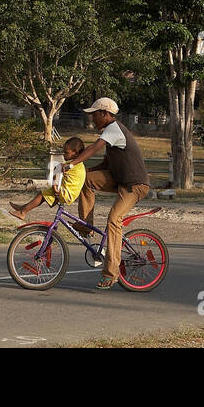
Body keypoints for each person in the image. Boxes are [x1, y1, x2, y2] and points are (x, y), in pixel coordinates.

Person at [63, 98, 151, 291]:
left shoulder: (114, 129)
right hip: (119, 179)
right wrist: (81, 172)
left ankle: (110, 274)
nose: (92, 118)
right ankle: (87, 226)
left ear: (105, 113)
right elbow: (105, 164)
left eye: (95, 114)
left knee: (113, 220)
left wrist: (71, 164)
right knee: (87, 179)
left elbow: (94, 148)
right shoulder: (111, 133)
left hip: (134, 185)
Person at [9, 137, 87, 220]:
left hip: (67, 193)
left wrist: (55, 184)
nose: (63, 154)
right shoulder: (79, 164)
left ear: (75, 153)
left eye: (66, 152)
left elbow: (58, 168)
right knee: (44, 194)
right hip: (69, 193)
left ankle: (23, 212)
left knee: (42, 194)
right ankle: (23, 208)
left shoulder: (72, 165)